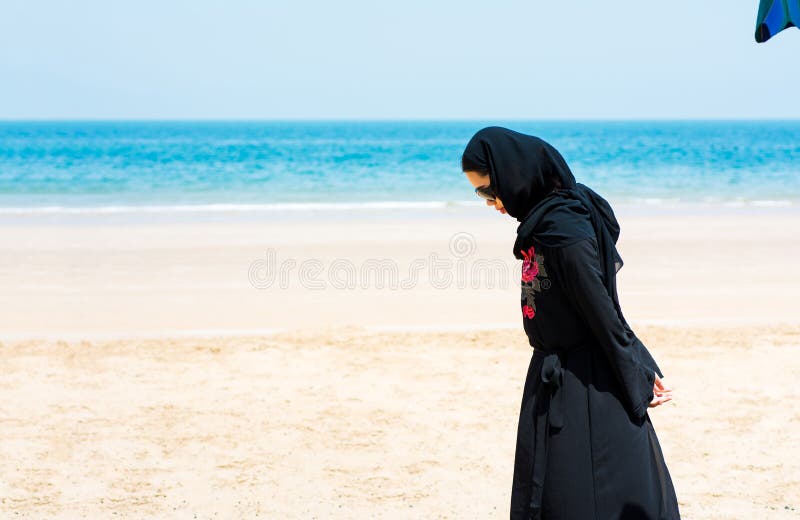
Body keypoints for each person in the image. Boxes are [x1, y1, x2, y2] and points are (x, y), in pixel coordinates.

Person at [461, 126, 681, 519]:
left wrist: (637, 371)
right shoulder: (541, 222)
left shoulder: (563, 227)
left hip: (587, 381)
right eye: (481, 194)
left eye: (488, 190)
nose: (490, 202)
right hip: (554, 375)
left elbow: (599, 307)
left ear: (514, 174)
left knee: (586, 494)